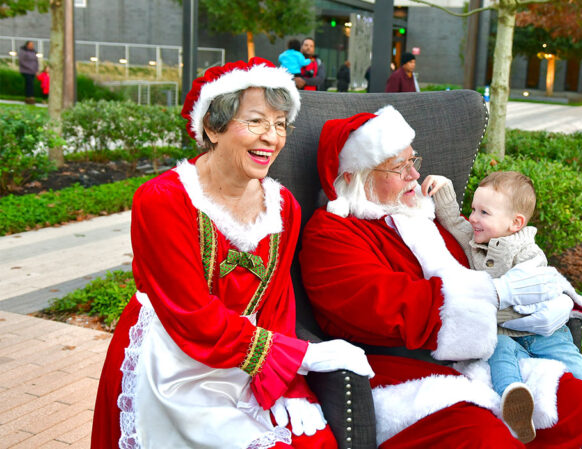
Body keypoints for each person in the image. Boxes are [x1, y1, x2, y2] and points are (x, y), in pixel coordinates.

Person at [300, 105, 582, 449]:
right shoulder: (331, 233)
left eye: (414, 161)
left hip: (488, 361)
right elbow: (381, 303)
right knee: (485, 439)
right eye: (400, 168)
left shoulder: (423, 213)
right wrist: (496, 294)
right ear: (355, 176)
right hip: (405, 371)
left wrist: (552, 299)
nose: (414, 175)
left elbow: (498, 254)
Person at [91, 57, 374, 449]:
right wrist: (302, 356)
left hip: (247, 362)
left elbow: (276, 302)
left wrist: (290, 385)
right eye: (256, 121)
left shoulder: (283, 206)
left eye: (279, 124)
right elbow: (190, 314)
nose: (271, 138)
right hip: (173, 366)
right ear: (212, 126)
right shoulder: (163, 201)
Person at [424, 170, 582, 449]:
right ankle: (515, 405)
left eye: (483, 212)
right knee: (499, 358)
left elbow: (528, 298)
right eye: (473, 209)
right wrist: (444, 187)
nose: (473, 218)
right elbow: (453, 221)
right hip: (503, 334)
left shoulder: (529, 254)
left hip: (545, 333)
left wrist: (483, 310)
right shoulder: (476, 240)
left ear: (515, 222)